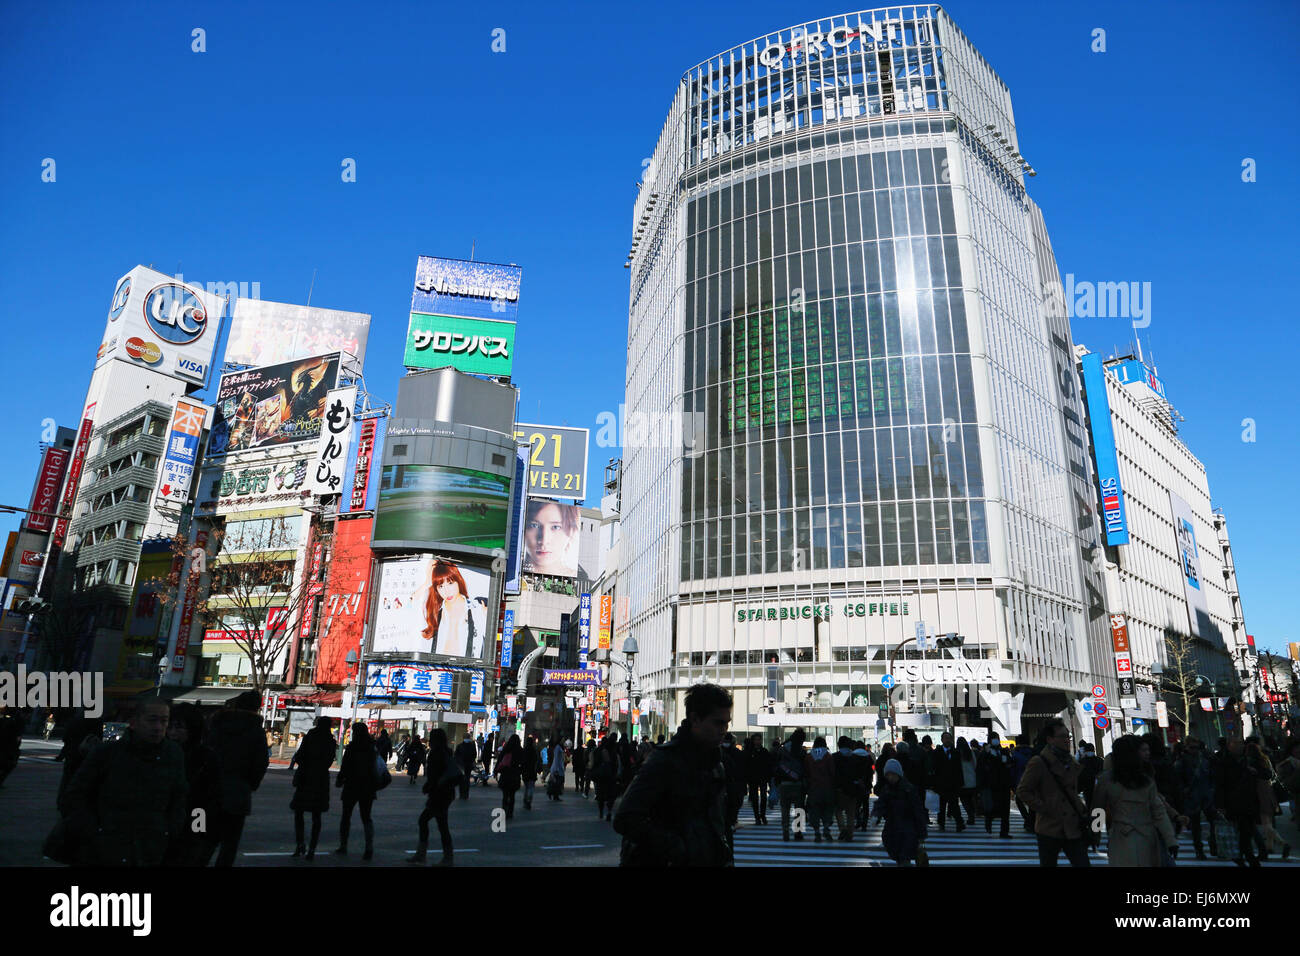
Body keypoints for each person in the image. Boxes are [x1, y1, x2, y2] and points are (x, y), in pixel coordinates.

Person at [613, 683, 734, 866]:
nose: (723, 730)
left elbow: (718, 823)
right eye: (717, 722)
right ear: (695, 719)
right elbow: (625, 817)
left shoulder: (716, 762)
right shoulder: (665, 760)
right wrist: (675, 846)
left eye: (726, 723)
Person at [61, 699, 188, 867]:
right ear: (134, 723)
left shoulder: (173, 754)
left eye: (164, 720)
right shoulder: (107, 753)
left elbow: (178, 796)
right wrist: (93, 831)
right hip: (104, 845)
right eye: (152, 720)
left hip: (149, 846)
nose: (158, 727)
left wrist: (168, 831)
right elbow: (75, 795)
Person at [201, 690, 270, 867]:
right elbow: (260, 763)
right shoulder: (255, 730)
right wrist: (249, 784)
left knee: (200, 839)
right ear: (257, 708)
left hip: (204, 794)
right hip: (237, 795)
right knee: (229, 845)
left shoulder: (215, 724)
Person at [1092, 735, 1179, 867]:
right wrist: (1171, 840)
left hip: (1121, 836)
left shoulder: (1107, 780)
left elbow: (1098, 809)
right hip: (1146, 836)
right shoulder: (1146, 780)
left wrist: (1095, 833)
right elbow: (1158, 812)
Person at [1016, 718, 1091, 866]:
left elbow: (1073, 793)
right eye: (1062, 736)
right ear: (1050, 739)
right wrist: (1045, 808)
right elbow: (1023, 791)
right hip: (1049, 827)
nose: (1067, 740)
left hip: (1072, 826)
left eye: (1068, 736)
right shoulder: (1039, 762)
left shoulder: (1071, 761)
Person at [165, 703, 222, 866]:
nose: (173, 733)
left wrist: (198, 833)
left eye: (179, 727)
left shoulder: (205, 758)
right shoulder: (162, 753)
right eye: (170, 727)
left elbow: (207, 802)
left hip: (191, 825)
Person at [289, 717, 336, 861]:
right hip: (320, 779)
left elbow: (299, 756)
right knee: (317, 816)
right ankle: (312, 849)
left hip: (305, 777)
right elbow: (329, 760)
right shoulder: (330, 741)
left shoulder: (310, 737)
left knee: (299, 812)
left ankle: (300, 843)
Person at [411, 728, 458, 866]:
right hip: (446, 793)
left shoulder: (436, 754)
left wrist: (428, 786)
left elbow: (434, 775)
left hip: (439, 794)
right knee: (438, 824)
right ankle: (444, 856)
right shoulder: (447, 752)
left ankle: (426, 854)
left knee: (429, 822)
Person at [872, 758, 928, 866]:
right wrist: (876, 815)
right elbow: (880, 803)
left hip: (908, 831)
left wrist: (921, 835)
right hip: (892, 830)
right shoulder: (886, 789)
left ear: (899, 774)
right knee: (898, 857)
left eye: (893, 774)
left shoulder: (909, 789)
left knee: (904, 858)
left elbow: (918, 812)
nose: (890, 777)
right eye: (888, 775)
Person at [335, 722, 379, 860]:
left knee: (346, 816)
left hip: (352, 785)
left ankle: (343, 845)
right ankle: (369, 847)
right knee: (366, 817)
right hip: (367, 786)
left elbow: (346, 765)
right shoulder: (371, 747)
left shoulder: (353, 747)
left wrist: (340, 779)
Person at [1246, 740, 1291, 860]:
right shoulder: (1266, 759)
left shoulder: (1252, 763)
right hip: (1270, 792)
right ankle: (1269, 847)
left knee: (1266, 823)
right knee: (1269, 821)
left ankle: (1283, 843)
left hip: (1260, 793)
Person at [1174, 736, 1218, 859]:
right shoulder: (1182, 761)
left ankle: (1212, 842)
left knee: (1213, 821)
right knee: (1196, 825)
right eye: (1192, 747)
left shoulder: (1204, 758)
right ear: (1187, 747)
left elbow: (1211, 775)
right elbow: (1178, 779)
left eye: (1197, 747)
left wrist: (1212, 788)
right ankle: (1199, 850)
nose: (1195, 750)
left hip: (1205, 794)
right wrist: (1184, 790)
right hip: (1192, 796)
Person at [55, 717, 104, 815]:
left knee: (68, 779)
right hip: (86, 755)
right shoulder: (97, 722)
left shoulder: (75, 721)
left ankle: (64, 802)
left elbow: (66, 738)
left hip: (73, 754)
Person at [523, 499, 580, 576]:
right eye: (534, 525)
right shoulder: (512, 569)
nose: (544, 540)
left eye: (556, 527)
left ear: (571, 531)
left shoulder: (577, 578)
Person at [774, 728, 809, 841]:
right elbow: (805, 769)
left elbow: (776, 767)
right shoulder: (802, 752)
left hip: (784, 784)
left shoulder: (782, 750)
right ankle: (798, 833)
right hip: (798, 784)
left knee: (785, 809)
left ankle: (785, 832)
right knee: (799, 809)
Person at [832, 736, 867, 841]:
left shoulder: (834, 757)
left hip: (838, 788)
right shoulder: (855, 757)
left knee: (838, 810)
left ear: (839, 745)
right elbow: (860, 774)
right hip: (852, 788)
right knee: (850, 813)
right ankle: (850, 834)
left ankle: (842, 829)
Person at [805, 736, 837, 843]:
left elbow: (807, 773)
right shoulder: (828, 756)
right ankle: (826, 828)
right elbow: (833, 772)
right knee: (827, 809)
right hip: (827, 787)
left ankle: (817, 832)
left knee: (815, 810)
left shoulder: (809, 757)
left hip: (813, 788)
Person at [931, 733, 964, 832]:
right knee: (941, 806)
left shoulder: (956, 752)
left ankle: (959, 823)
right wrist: (933, 783)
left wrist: (960, 783)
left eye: (949, 738)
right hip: (940, 784)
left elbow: (959, 769)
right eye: (946, 738)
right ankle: (941, 824)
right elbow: (934, 768)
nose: (948, 740)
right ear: (941, 740)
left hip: (953, 784)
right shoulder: (937, 752)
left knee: (954, 805)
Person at [743, 735, 773, 825]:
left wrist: (769, 776)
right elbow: (746, 766)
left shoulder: (764, 751)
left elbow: (769, 765)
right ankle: (757, 817)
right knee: (755, 798)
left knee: (763, 797)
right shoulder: (749, 752)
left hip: (763, 778)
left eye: (759, 740)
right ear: (753, 741)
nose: (757, 741)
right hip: (753, 779)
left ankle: (763, 815)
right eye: (756, 740)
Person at [591, 733, 621, 820]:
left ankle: (601, 812)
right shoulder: (613, 752)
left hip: (600, 777)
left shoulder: (598, 751)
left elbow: (593, 763)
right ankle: (609, 811)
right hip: (610, 777)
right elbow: (616, 764)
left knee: (600, 795)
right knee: (611, 795)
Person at [495, 734, 524, 819]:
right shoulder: (520, 750)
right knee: (512, 795)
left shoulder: (506, 749)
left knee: (505, 795)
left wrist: (496, 771)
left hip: (505, 774)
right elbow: (523, 762)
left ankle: (504, 809)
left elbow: (500, 759)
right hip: (515, 775)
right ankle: (510, 812)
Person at [955, 737, 978, 826]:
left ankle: (970, 815)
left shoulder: (957, 753)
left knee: (964, 800)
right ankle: (971, 815)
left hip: (961, 781)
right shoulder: (970, 752)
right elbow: (975, 765)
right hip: (972, 780)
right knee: (970, 799)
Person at [1276, 739, 1300, 824]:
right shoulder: (1288, 762)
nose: (1298, 750)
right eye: (1296, 749)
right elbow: (1287, 780)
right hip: (1296, 791)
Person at [0, 705, 21, 788]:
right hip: (7, 747)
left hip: (7, 746)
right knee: (8, 764)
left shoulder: (10, 720)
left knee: (7, 764)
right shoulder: (12, 720)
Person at [1076, 742, 1103, 809]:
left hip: (1087, 790)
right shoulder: (1100, 760)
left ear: (1085, 751)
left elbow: (1080, 777)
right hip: (1100, 789)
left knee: (1090, 807)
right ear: (1094, 750)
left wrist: (1078, 789)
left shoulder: (1082, 762)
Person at [454, 734, 477, 800]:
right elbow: (474, 755)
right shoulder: (471, 746)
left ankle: (463, 794)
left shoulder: (460, 746)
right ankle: (464, 794)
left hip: (463, 765)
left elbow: (456, 756)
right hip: (465, 765)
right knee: (465, 780)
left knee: (464, 780)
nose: (467, 739)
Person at [521, 737, 542, 809]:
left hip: (525, 772)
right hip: (532, 771)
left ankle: (525, 800)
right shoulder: (534, 751)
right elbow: (537, 760)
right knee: (531, 787)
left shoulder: (524, 750)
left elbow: (522, 761)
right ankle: (529, 800)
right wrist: (539, 769)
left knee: (526, 787)